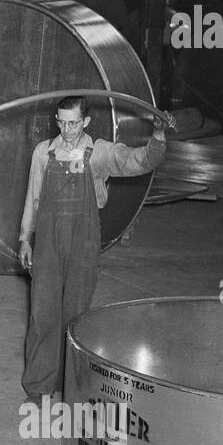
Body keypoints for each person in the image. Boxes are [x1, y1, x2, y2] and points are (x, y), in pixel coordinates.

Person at [18, 97, 173, 402]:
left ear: (86, 121)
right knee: (42, 313)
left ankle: (72, 387)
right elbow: (33, 197)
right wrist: (25, 237)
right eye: (61, 122)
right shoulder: (43, 153)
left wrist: (158, 136)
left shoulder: (99, 152)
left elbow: (141, 160)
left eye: (73, 122)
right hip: (47, 241)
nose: (66, 129)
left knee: (76, 314)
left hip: (84, 241)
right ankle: (39, 386)